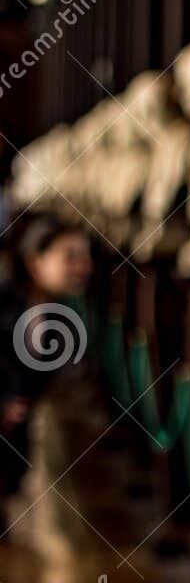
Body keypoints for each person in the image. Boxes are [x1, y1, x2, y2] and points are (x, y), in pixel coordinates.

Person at [0, 217, 93, 535]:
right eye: (70, 256)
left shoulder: (59, 316)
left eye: (86, 257)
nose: (82, 267)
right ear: (35, 260)